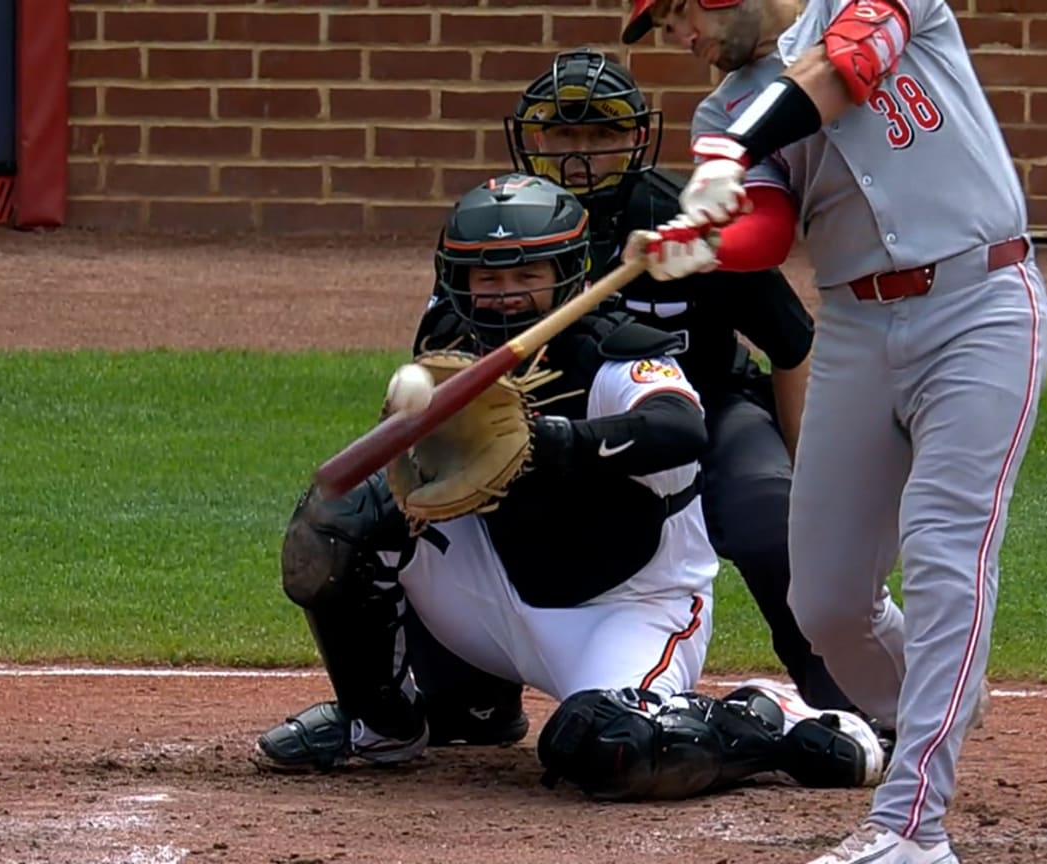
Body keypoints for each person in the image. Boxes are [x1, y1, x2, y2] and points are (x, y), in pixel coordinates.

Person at [251, 171, 888, 804]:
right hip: (488, 592)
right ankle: (381, 724)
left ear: (568, 275)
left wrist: (551, 443)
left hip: (626, 610)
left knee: (613, 747)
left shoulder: (617, 352)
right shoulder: (448, 350)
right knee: (340, 523)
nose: (505, 296)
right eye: (486, 279)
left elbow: (679, 428)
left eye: (525, 275)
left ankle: (766, 719)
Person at [621, 1, 1047, 861]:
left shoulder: (863, 6)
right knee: (824, 601)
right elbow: (768, 227)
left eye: (676, 15)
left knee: (945, 552)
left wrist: (732, 147)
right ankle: (938, 690)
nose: (681, 39)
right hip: (855, 329)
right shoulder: (723, 107)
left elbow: (841, 66)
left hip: (979, 305)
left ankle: (912, 828)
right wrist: (699, 245)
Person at [498, 48, 859, 713]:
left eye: (601, 135)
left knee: (771, 521)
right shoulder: (502, 226)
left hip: (707, 408)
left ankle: (847, 697)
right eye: (565, 134)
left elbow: (792, 343)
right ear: (535, 139)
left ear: (637, 137)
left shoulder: (683, 223)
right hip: (564, 425)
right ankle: (467, 696)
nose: (582, 155)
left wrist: (811, 476)